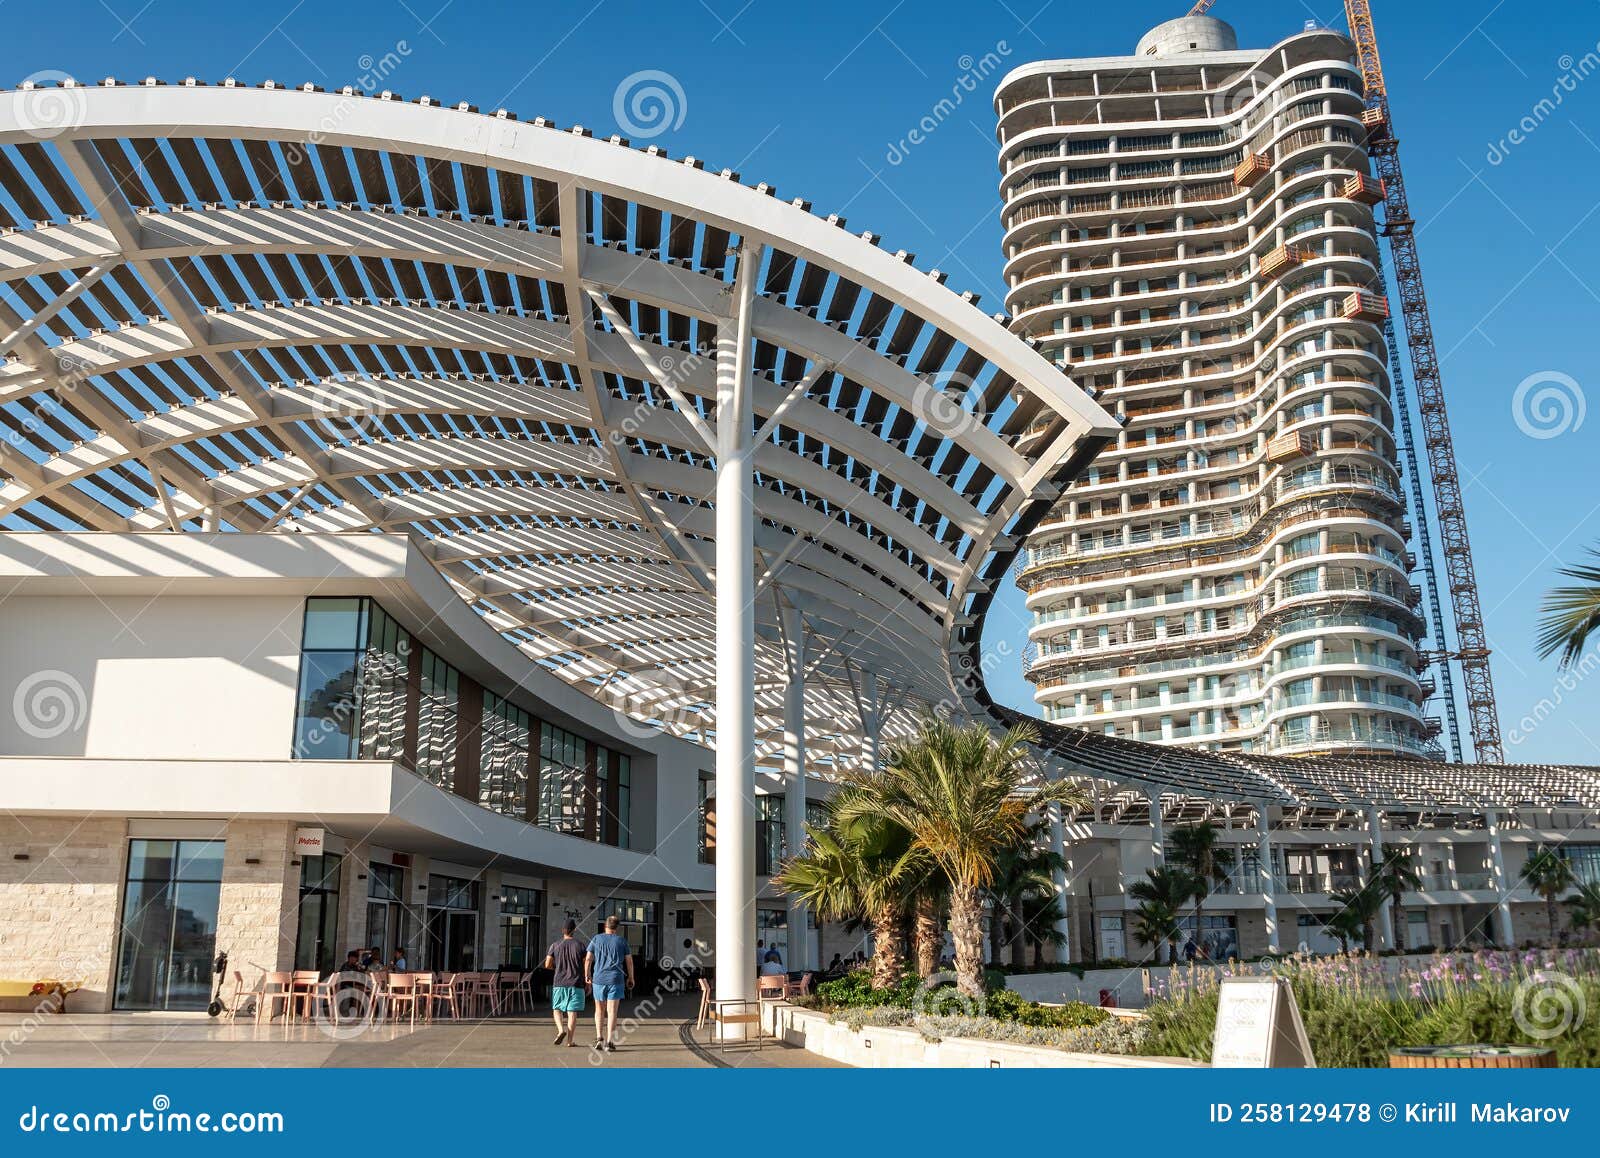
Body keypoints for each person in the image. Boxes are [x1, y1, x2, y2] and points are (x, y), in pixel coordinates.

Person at [585, 915, 634, 1052]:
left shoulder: (596, 939)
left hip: (599, 979)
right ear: (616, 928)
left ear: (605, 926)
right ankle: (609, 1041)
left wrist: (587, 974)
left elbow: (588, 959)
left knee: (599, 1010)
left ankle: (599, 1038)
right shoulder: (622, 941)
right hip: (616, 979)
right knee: (612, 1011)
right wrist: (631, 977)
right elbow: (629, 961)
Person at [543, 918, 586, 1047]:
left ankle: (561, 1030)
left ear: (563, 930)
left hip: (559, 982)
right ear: (574, 930)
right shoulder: (580, 945)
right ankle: (570, 1041)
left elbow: (547, 964)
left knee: (557, 1009)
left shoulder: (555, 945)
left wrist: (556, 967)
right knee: (572, 1012)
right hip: (576, 982)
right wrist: (587, 978)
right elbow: (586, 963)